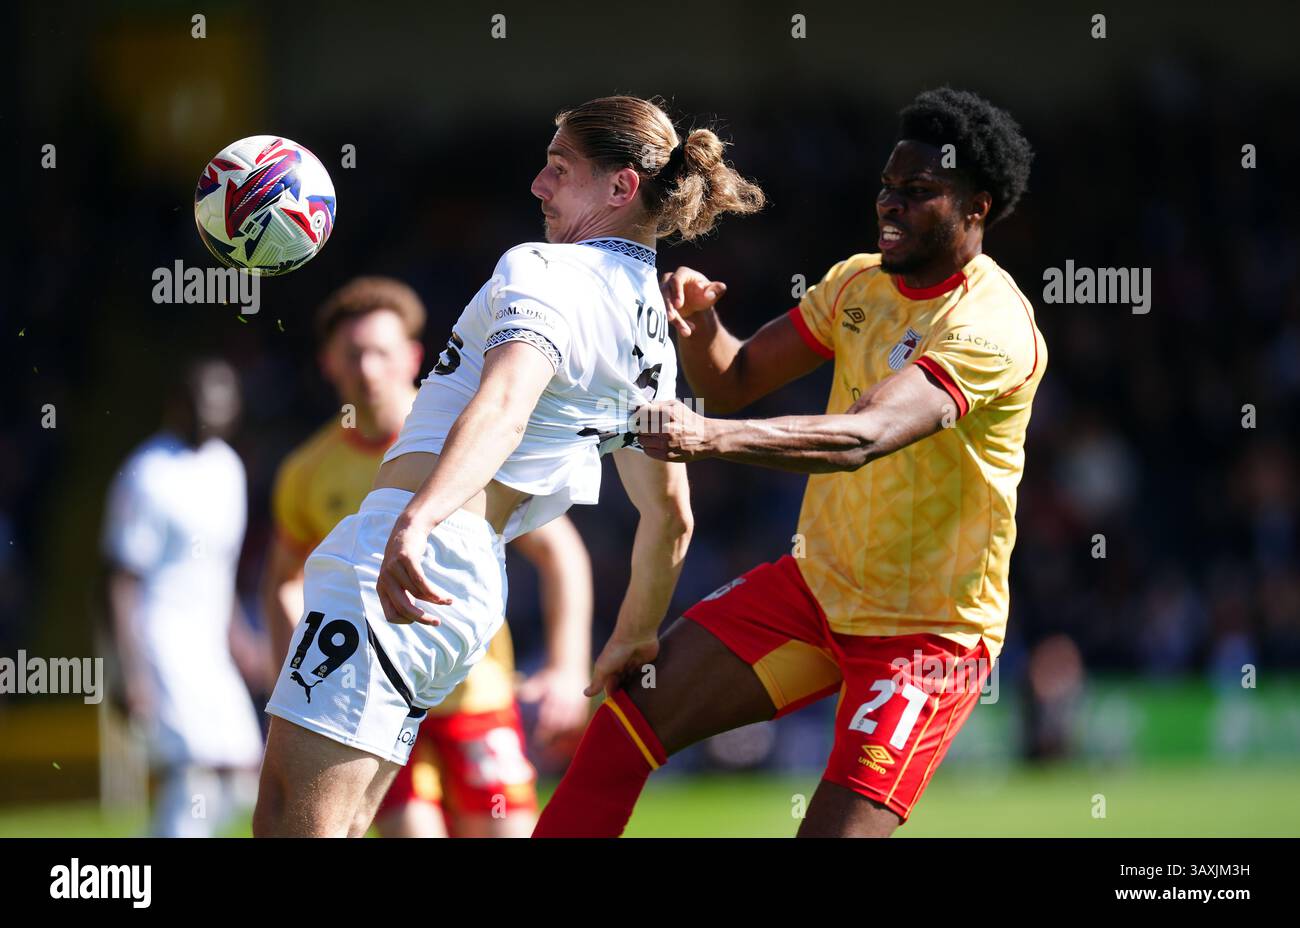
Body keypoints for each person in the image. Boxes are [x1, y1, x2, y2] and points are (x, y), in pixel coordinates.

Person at [534, 87, 1044, 838]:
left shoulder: (989, 325)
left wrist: (707, 441)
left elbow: (861, 439)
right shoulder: (858, 283)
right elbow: (731, 379)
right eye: (886, 187)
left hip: (926, 635)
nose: (890, 206)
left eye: (918, 192)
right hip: (814, 592)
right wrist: (701, 326)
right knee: (625, 722)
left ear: (977, 208)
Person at [253, 94, 765, 837]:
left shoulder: (544, 269)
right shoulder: (654, 335)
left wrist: (415, 520)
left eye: (560, 167)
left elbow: (505, 404)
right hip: (471, 586)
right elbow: (671, 517)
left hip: (405, 558)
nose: (538, 184)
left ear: (621, 188)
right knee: (343, 822)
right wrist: (633, 636)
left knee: (294, 822)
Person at [261, 276, 592, 837]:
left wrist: (566, 666)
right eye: (353, 355)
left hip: (475, 694)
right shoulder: (305, 473)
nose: (368, 369)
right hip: (371, 696)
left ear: (414, 357)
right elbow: (282, 582)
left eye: (381, 353)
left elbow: (560, 551)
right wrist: (303, 685)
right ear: (328, 364)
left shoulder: (462, 440)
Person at [102, 359, 265, 837]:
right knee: (192, 767)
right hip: (159, 638)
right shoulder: (147, 474)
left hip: (209, 643)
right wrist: (129, 671)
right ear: (176, 405)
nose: (209, 415)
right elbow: (119, 579)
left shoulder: (227, 468)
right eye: (199, 404)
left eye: (221, 405)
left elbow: (218, 567)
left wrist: (239, 635)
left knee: (240, 770)